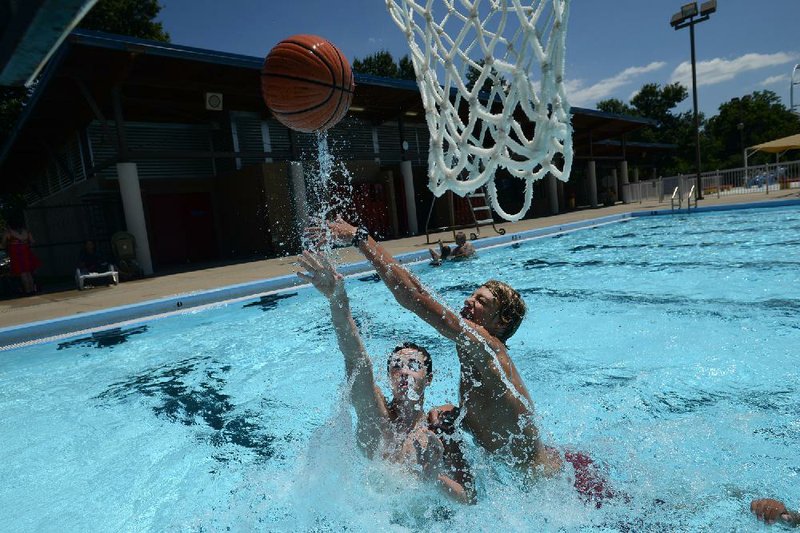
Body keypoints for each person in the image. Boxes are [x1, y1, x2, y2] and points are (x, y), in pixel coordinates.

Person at [310, 218, 562, 479]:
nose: (468, 300)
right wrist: (455, 413)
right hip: (523, 475)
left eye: (481, 301)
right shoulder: (474, 353)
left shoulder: (487, 347)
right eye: (472, 295)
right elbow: (418, 289)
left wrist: (360, 237)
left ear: (501, 321)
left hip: (546, 483)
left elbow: (412, 298)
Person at [296, 250, 475, 504]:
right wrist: (338, 298)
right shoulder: (376, 416)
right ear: (389, 376)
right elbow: (356, 358)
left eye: (413, 365)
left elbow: (469, 498)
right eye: (396, 366)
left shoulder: (441, 428)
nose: (403, 371)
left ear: (429, 378)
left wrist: (433, 477)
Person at [1, 220, 40, 295]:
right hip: (26, 251)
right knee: (28, 272)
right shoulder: (26, 231)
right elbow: (32, 241)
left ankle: (28, 291)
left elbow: (3, 244)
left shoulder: (8, 232)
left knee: (23, 273)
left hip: (16, 253)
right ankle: (32, 290)